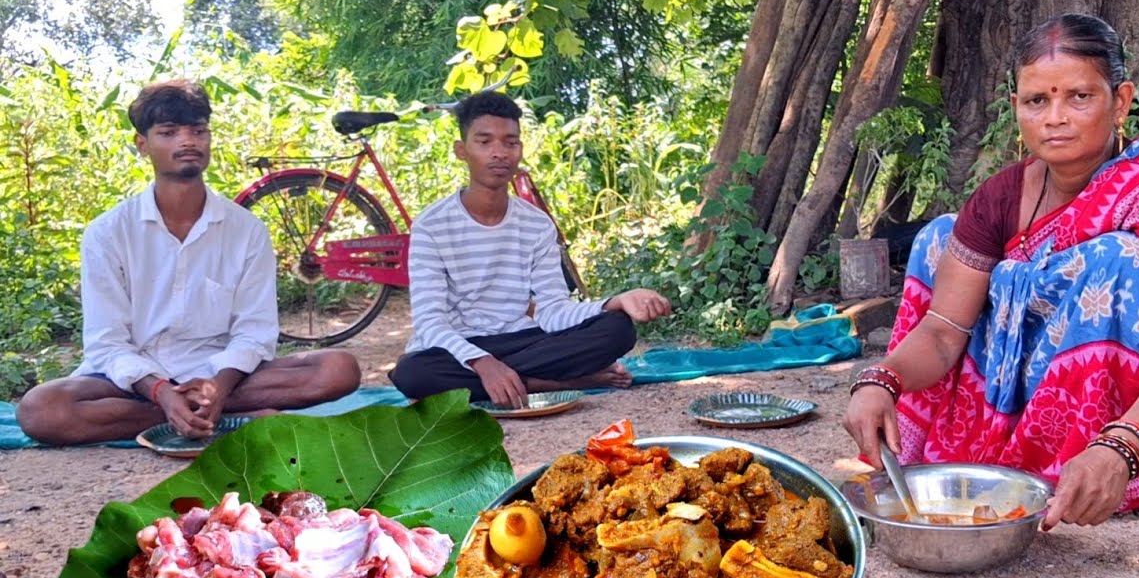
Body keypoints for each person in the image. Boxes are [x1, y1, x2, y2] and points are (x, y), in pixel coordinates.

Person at [842, 14, 1139, 530]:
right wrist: (882, 379)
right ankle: (1047, 448)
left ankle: (1111, 457)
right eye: (1036, 101)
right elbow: (944, 331)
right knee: (938, 237)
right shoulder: (1002, 197)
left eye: (1079, 97)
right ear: (1017, 107)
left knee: (1116, 260)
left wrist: (1122, 445)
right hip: (1057, 389)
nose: (1055, 117)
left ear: (1122, 101)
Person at [16, 79, 361, 446]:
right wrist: (162, 392)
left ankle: (201, 411)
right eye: (168, 132)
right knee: (40, 410)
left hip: (225, 374)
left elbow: (255, 332)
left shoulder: (246, 230)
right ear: (142, 145)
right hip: (136, 383)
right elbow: (108, 343)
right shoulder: (108, 233)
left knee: (338, 369)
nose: (187, 142)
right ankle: (226, 418)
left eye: (198, 131)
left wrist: (219, 386)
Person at [390, 91, 671, 407]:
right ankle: (548, 383)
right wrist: (483, 363)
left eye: (510, 142)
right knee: (411, 373)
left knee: (617, 329)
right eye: (485, 142)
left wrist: (615, 301)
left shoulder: (537, 224)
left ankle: (514, 382)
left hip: (523, 342)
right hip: (459, 348)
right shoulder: (432, 224)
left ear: (520, 149)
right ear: (461, 151)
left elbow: (552, 310)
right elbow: (431, 323)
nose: (499, 153)